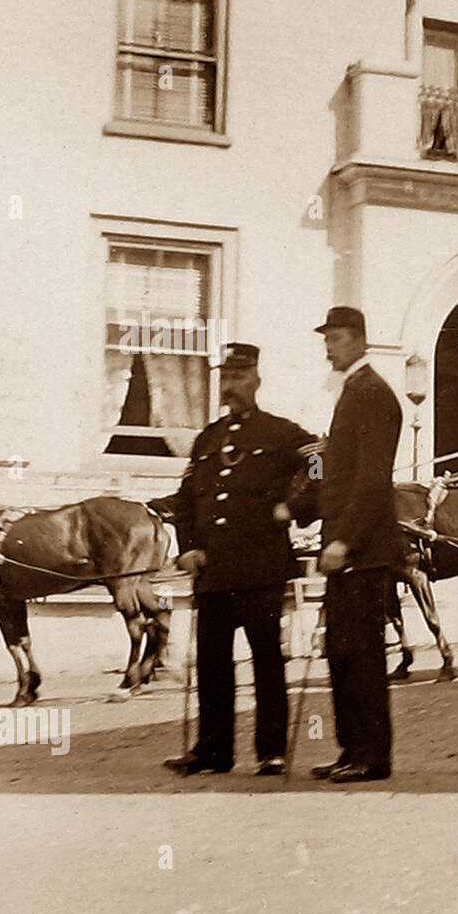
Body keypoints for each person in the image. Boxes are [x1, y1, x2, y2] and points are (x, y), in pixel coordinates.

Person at [164, 343, 317, 777]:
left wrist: (297, 506)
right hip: (212, 570)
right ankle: (213, 750)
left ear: (257, 381)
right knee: (212, 663)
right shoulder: (207, 440)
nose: (231, 386)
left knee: (267, 660)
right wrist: (188, 546)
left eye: (239, 377)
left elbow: (323, 463)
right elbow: (185, 500)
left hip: (261, 568)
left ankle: (271, 751)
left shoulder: (282, 433)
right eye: (226, 378)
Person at [311, 306, 404, 783]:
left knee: (362, 656)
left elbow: (372, 480)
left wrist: (344, 540)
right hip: (345, 550)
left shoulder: (370, 393)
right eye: (327, 338)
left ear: (362, 341)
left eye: (340, 338)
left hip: (363, 552)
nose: (330, 346)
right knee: (342, 653)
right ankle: (352, 751)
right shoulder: (352, 390)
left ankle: (372, 756)